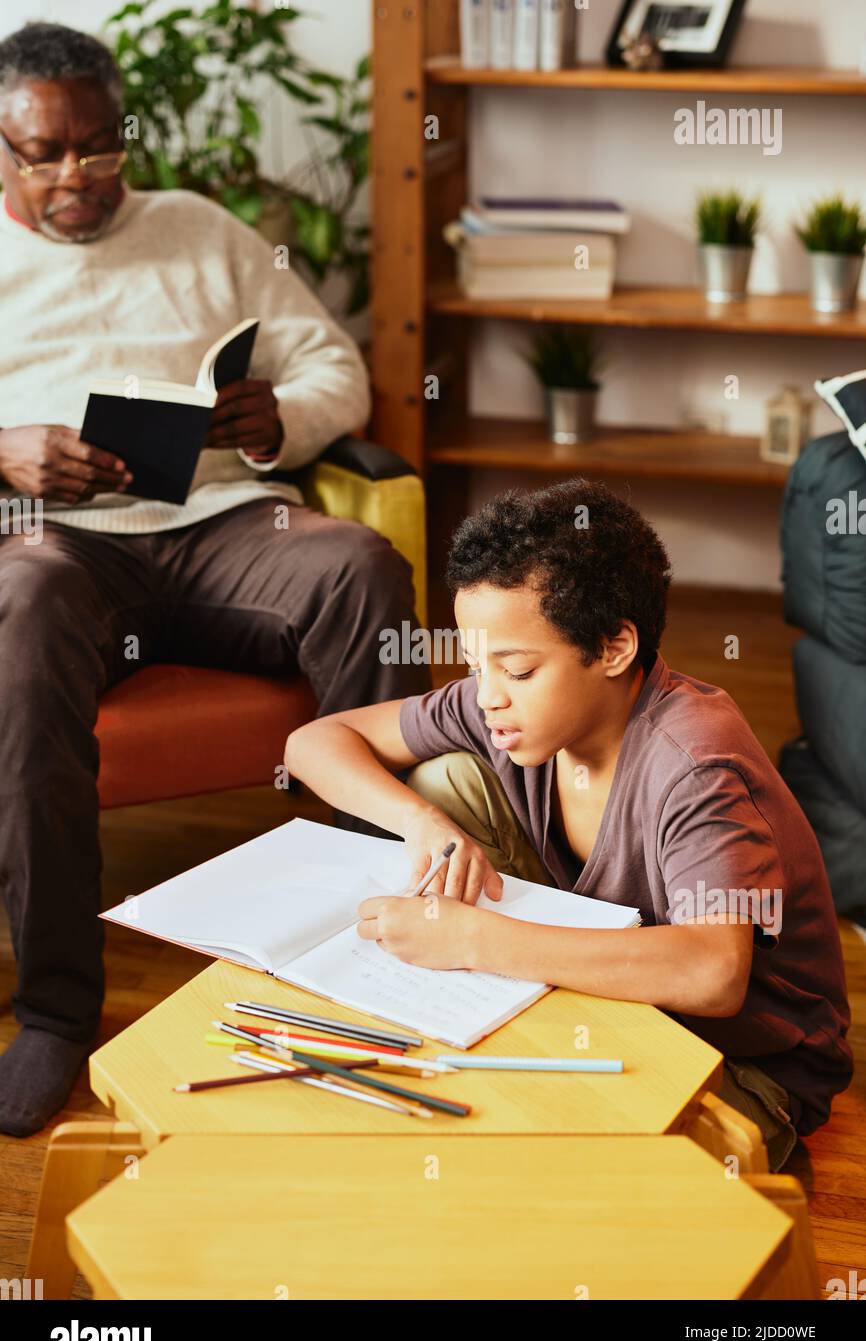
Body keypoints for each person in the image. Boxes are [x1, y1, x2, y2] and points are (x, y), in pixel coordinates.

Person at [0, 22, 425, 1137]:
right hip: (55, 540)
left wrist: (286, 417)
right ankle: (53, 1009)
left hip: (222, 519)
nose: (77, 175)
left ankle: (370, 942)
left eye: (99, 147)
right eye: (44, 153)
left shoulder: (198, 229)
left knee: (357, 565)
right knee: (27, 598)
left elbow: (334, 362)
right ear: (2, 147)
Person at [287, 479, 854, 1172]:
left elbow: (714, 972)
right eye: (474, 665)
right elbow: (314, 743)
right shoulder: (505, 709)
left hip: (745, 1062)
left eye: (517, 669)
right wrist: (422, 822)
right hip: (617, 1000)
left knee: (557, 1181)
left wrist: (474, 939)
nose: (487, 695)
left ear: (615, 648)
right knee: (442, 780)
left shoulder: (695, 764)